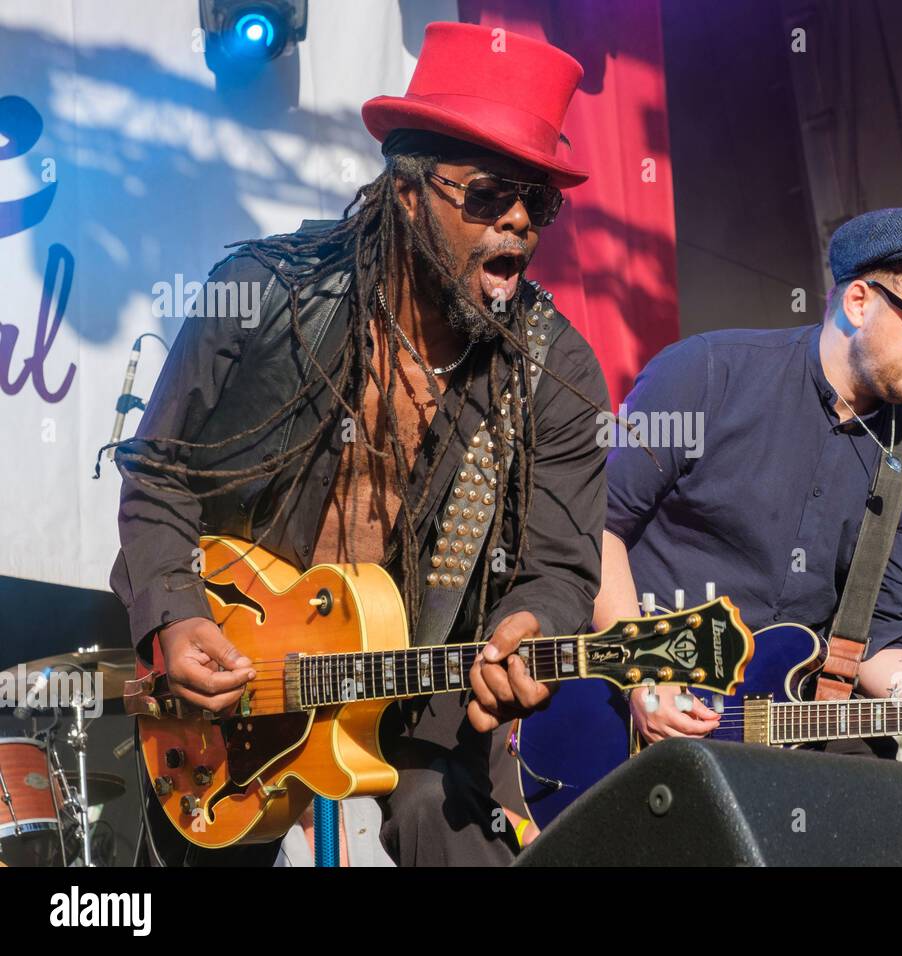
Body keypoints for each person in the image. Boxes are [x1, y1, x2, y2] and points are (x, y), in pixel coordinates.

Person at [110, 22, 607, 865]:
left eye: (540, 201)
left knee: (438, 813)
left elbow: (560, 569)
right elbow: (159, 474)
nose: (520, 222)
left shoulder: (553, 369)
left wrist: (534, 625)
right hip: (237, 696)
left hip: (419, 700)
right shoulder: (265, 296)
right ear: (409, 191)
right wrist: (176, 617)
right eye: (489, 194)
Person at [595, 206, 902, 757]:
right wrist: (643, 671)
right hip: (623, 721)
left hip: (781, 747)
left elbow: (883, 646)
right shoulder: (707, 373)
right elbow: (597, 528)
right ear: (859, 303)